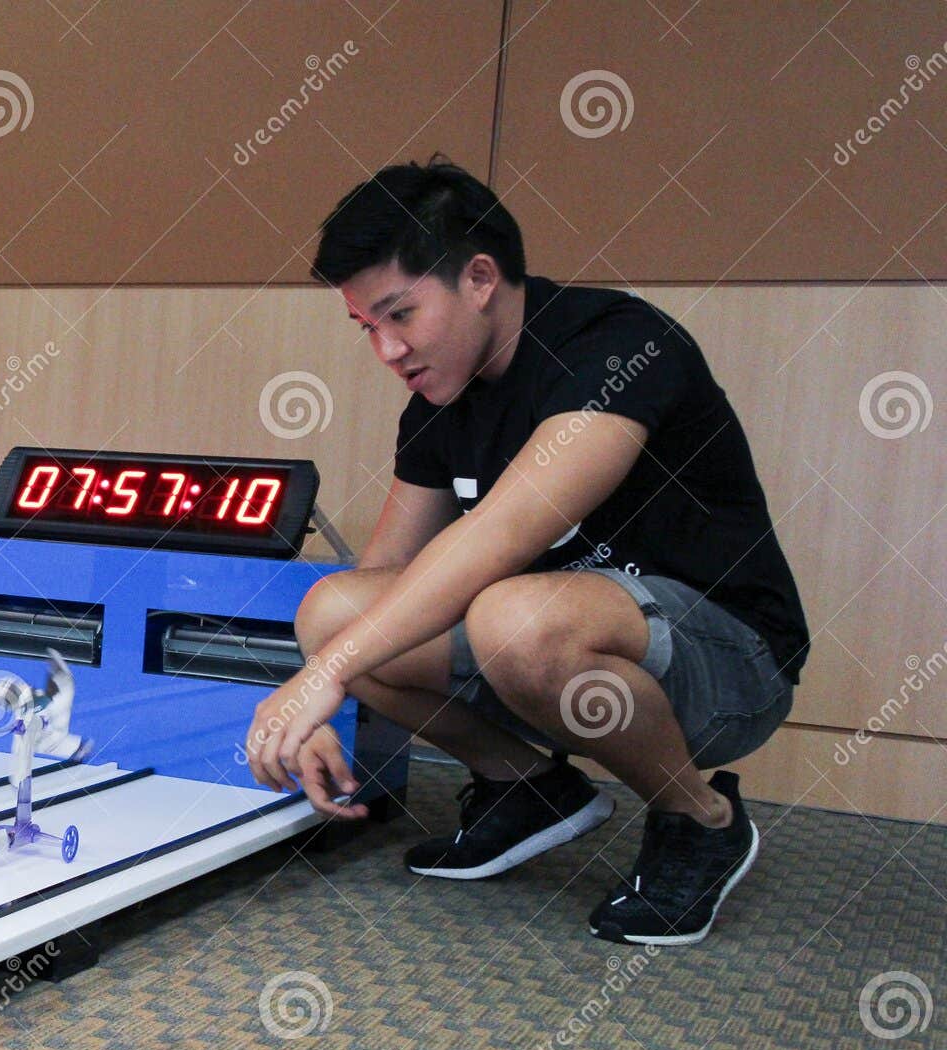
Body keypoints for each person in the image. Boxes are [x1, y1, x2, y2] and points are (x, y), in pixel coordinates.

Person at [244, 157, 809, 946]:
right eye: (367, 327)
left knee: (512, 612)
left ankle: (699, 817)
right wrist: (320, 695)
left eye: (400, 315)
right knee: (334, 611)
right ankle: (527, 790)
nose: (386, 351)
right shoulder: (440, 401)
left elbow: (503, 534)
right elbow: (377, 586)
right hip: (550, 653)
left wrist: (323, 679)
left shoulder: (616, 345)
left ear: (479, 278)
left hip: (732, 663)